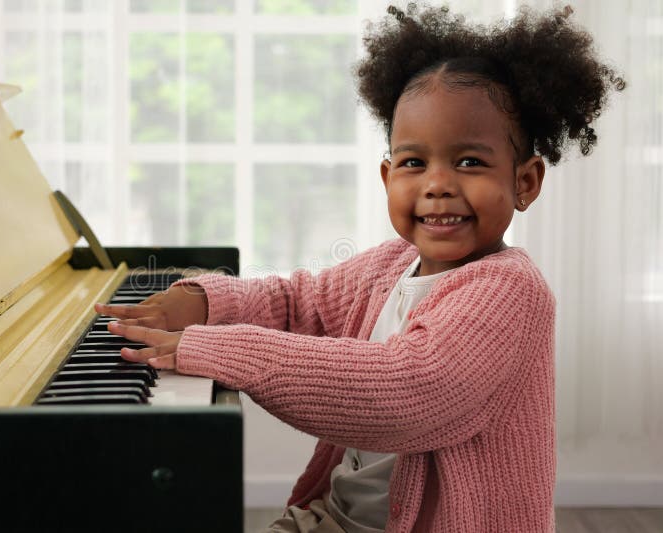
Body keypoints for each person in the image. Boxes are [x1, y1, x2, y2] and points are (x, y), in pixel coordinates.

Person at [95, 3, 624, 531]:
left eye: (469, 162)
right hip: (341, 518)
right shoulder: (390, 265)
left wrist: (221, 349)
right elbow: (296, 302)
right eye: (414, 163)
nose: (437, 184)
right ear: (388, 177)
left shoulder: (510, 290)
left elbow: (406, 390)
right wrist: (206, 302)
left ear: (525, 181)